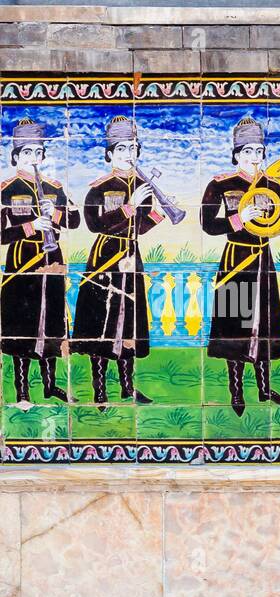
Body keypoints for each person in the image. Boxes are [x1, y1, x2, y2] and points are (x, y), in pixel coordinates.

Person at [71, 115, 168, 407]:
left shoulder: (143, 185)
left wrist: (158, 214)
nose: (130, 154)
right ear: (110, 153)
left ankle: (128, 387)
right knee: (101, 325)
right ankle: (99, 391)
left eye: (134, 147)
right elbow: (94, 224)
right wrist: (129, 207)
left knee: (130, 325)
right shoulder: (99, 187)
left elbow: (139, 228)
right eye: (123, 148)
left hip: (130, 256)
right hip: (104, 258)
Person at [200, 116, 280, 416]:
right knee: (234, 329)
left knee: (266, 326)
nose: (255, 157)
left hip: (264, 260)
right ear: (237, 153)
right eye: (248, 151)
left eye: (259, 151)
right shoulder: (220, 184)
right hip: (236, 260)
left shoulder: (273, 185)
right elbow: (207, 224)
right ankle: (236, 392)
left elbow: (275, 222)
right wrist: (241, 219)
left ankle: (265, 389)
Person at [0, 118, 78, 408]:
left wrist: (55, 213)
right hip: (22, 263)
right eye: (27, 153)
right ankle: (22, 393)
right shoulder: (7, 189)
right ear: (17, 156)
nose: (34, 158)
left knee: (53, 323)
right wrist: (31, 226)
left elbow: (76, 220)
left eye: (38, 152)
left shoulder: (53, 187)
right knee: (23, 325)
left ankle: (50, 386)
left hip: (52, 261)